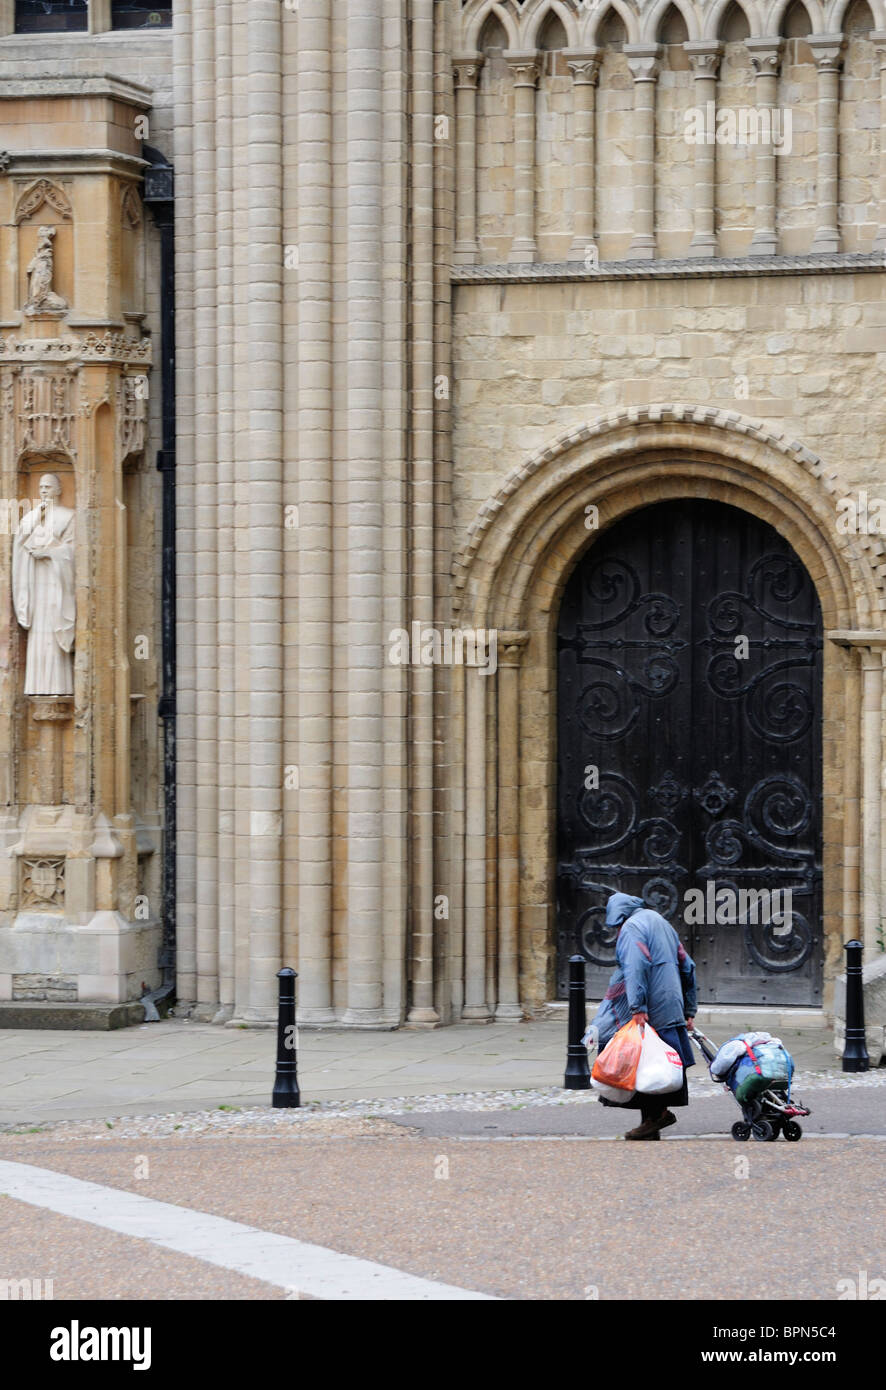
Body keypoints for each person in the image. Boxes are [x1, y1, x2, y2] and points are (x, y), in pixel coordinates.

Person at [587, 891, 698, 1140]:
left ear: (620, 916)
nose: (617, 931)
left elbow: (635, 966)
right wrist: (689, 1008)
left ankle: (653, 1119)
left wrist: (637, 1008)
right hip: (671, 1004)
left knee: (641, 1061)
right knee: (656, 1064)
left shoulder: (632, 927)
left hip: (651, 1006)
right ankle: (652, 1120)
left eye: (616, 925)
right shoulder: (663, 924)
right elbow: (687, 965)